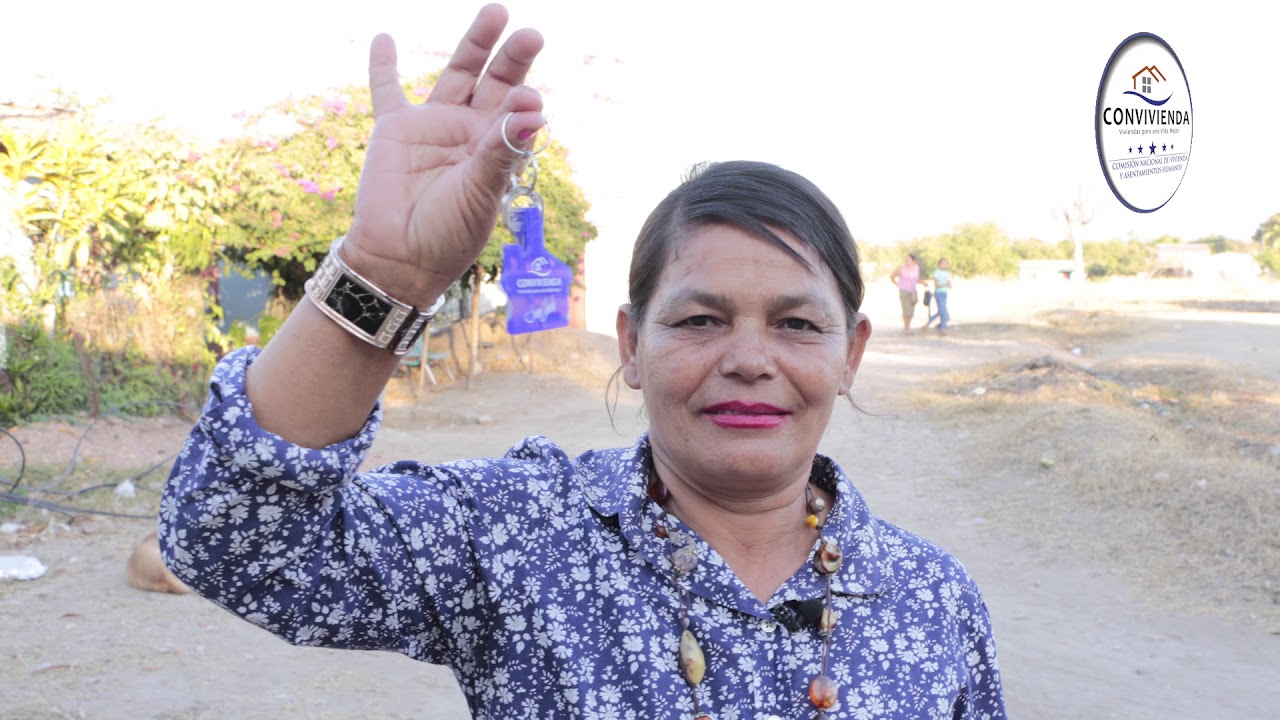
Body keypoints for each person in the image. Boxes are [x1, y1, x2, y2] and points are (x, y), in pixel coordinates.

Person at [158, 5, 1006, 718]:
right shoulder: (520, 533)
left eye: (796, 325)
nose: (750, 360)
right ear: (632, 345)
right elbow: (233, 539)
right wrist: (383, 275)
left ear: (851, 352)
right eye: (701, 319)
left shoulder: (932, 600)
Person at [889, 253, 924, 333]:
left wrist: (923, 283)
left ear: (913, 261)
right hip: (904, 291)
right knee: (906, 309)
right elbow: (892, 276)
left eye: (909, 259)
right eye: (906, 259)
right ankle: (906, 328)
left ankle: (908, 326)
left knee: (911, 310)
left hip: (913, 291)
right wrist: (897, 284)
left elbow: (916, 279)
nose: (907, 261)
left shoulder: (916, 268)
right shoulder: (902, 268)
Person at [924, 257, 953, 335]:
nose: (944, 265)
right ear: (939, 264)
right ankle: (943, 329)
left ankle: (927, 325)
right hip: (938, 293)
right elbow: (936, 285)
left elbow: (949, 283)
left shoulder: (948, 273)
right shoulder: (937, 272)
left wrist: (949, 285)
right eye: (943, 263)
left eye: (946, 263)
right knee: (943, 312)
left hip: (944, 293)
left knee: (941, 311)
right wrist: (945, 284)